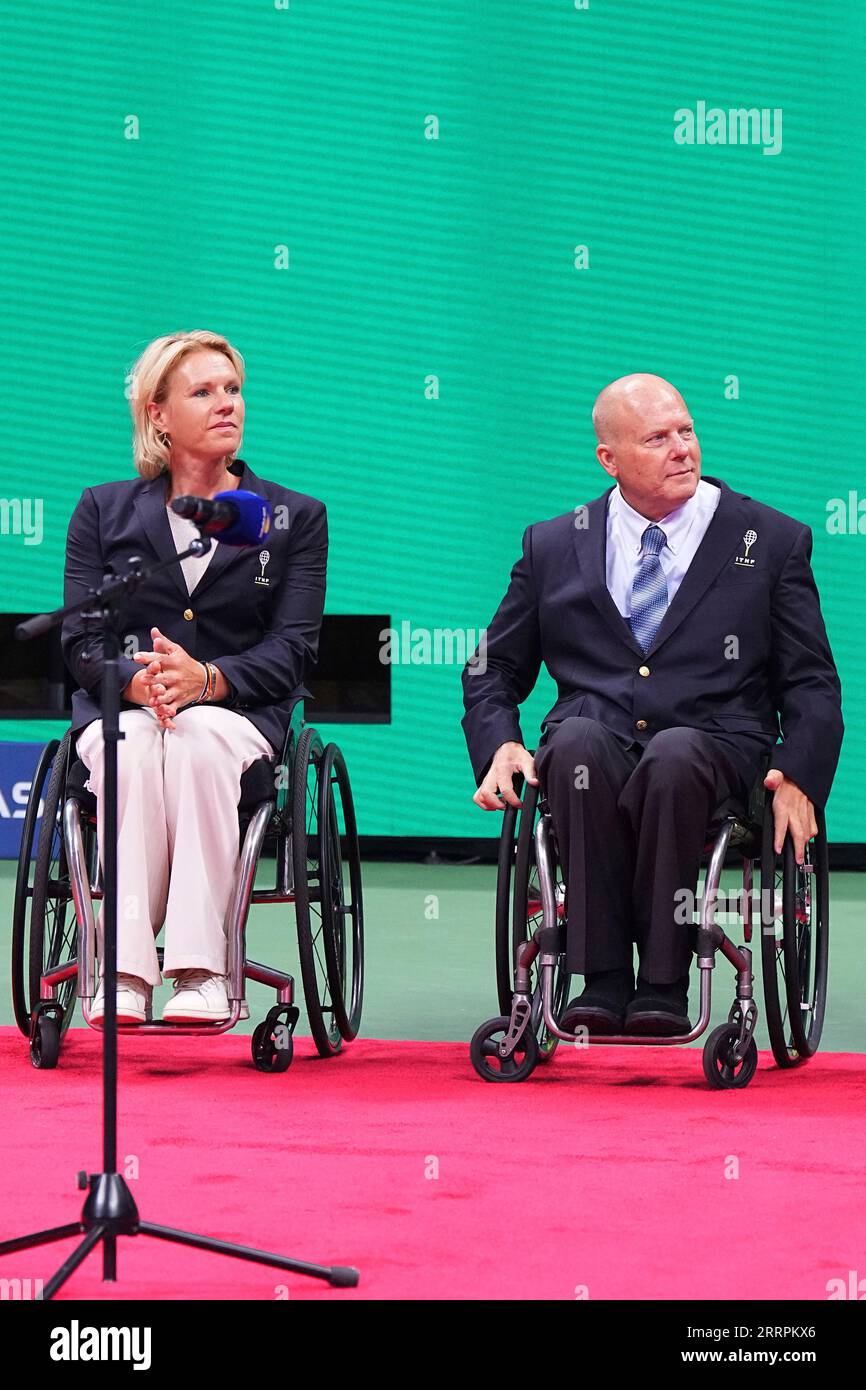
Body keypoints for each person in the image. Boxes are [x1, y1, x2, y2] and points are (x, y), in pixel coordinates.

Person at [462, 373, 843, 1035]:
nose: (682, 450)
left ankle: (663, 984)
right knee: (575, 745)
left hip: (716, 748)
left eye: (686, 431)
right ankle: (602, 979)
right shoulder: (554, 544)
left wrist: (801, 777)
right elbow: (491, 668)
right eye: (658, 438)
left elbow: (810, 682)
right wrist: (500, 742)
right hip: (596, 742)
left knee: (672, 755)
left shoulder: (770, 540)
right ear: (609, 458)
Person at [61, 330, 328, 1025]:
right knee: (135, 746)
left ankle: (200, 969)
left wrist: (205, 679)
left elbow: (293, 650)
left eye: (233, 389)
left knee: (201, 737)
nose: (226, 405)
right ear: (157, 415)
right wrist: (135, 684)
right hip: (125, 713)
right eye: (203, 392)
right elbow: (79, 642)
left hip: (236, 718)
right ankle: (121, 972)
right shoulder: (103, 509)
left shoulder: (294, 517)